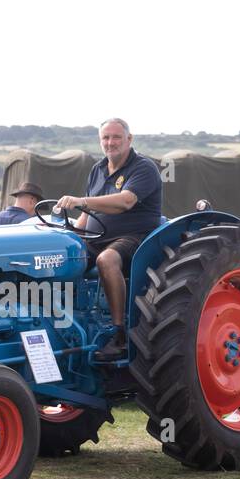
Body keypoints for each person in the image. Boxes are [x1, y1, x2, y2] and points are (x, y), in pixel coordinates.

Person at [56, 118, 163, 361]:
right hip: (97, 236)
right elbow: (86, 214)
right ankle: (65, 324)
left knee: (107, 260)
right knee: (61, 257)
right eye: (105, 138)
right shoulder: (98, 169)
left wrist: (81, 201)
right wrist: (72, 236)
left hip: (136, 238)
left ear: (129, 139)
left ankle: (119, 334)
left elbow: (126, 201)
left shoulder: (143, 167)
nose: (110, 142)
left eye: (116, 137)